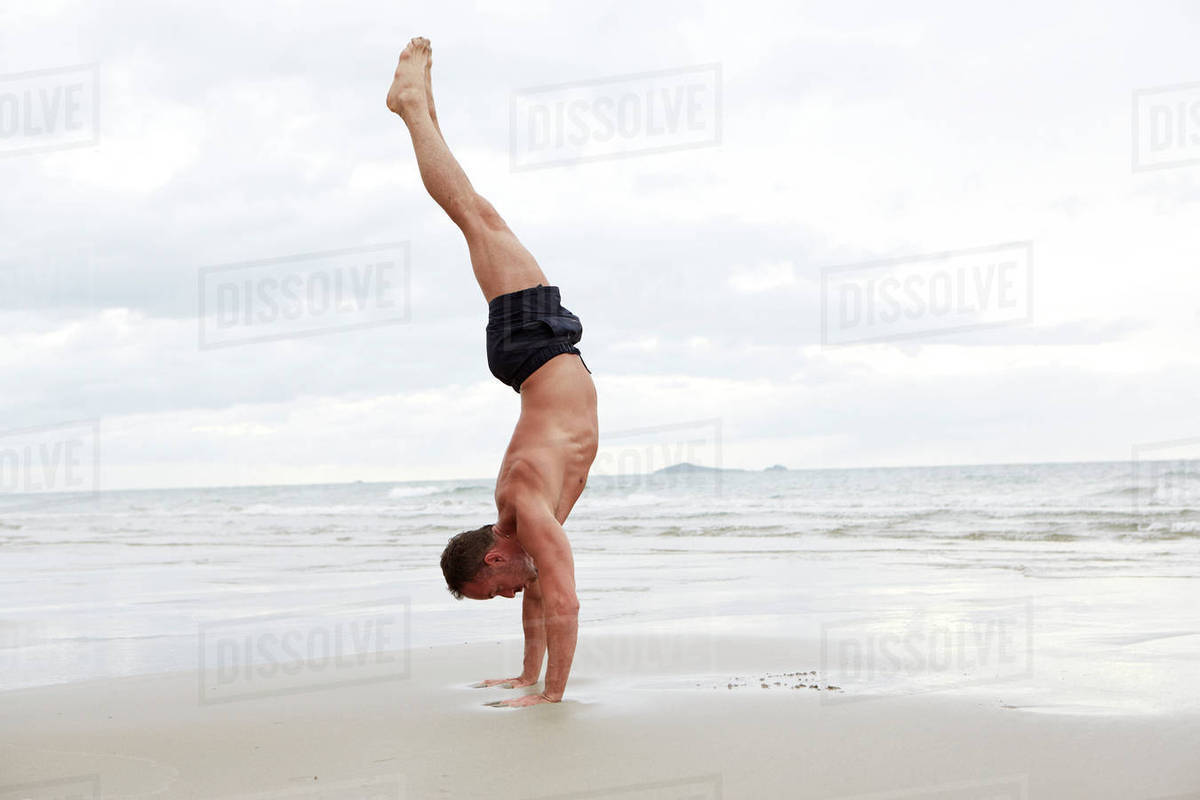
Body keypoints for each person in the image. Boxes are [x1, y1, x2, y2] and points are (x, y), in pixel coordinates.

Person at [386, 37, 598, 707]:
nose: (508, 594)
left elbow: (562, 601)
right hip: (537, 353)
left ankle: (414, 108)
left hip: (536, 348)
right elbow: (539, 596)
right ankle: (421, 111)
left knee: (473, 215)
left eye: (496, 587)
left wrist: (550, 698)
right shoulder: (522, 526)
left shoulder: (527, 510)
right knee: (478, 214)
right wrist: (527, 676)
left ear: (493, 556)